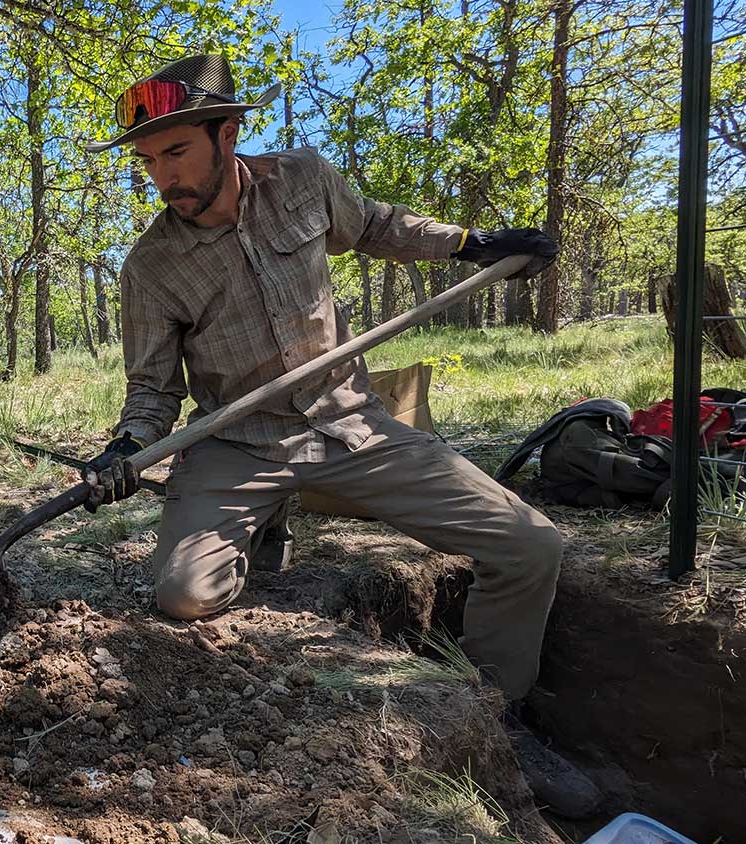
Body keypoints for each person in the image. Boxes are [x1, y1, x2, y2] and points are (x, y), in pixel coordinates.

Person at [81, 54, 597, 817]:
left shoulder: (305, 179)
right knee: (184, 595)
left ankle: (499, 716)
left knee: (532, 546)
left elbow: (379, 227)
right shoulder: (150, 266)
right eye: (148, 160)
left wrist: (469, 242)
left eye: (177, 151)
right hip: (238, 446)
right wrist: (128, 445)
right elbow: (154, 388)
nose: (163, 177)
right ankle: (266, 519)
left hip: (350, 425)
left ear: (228, 134)